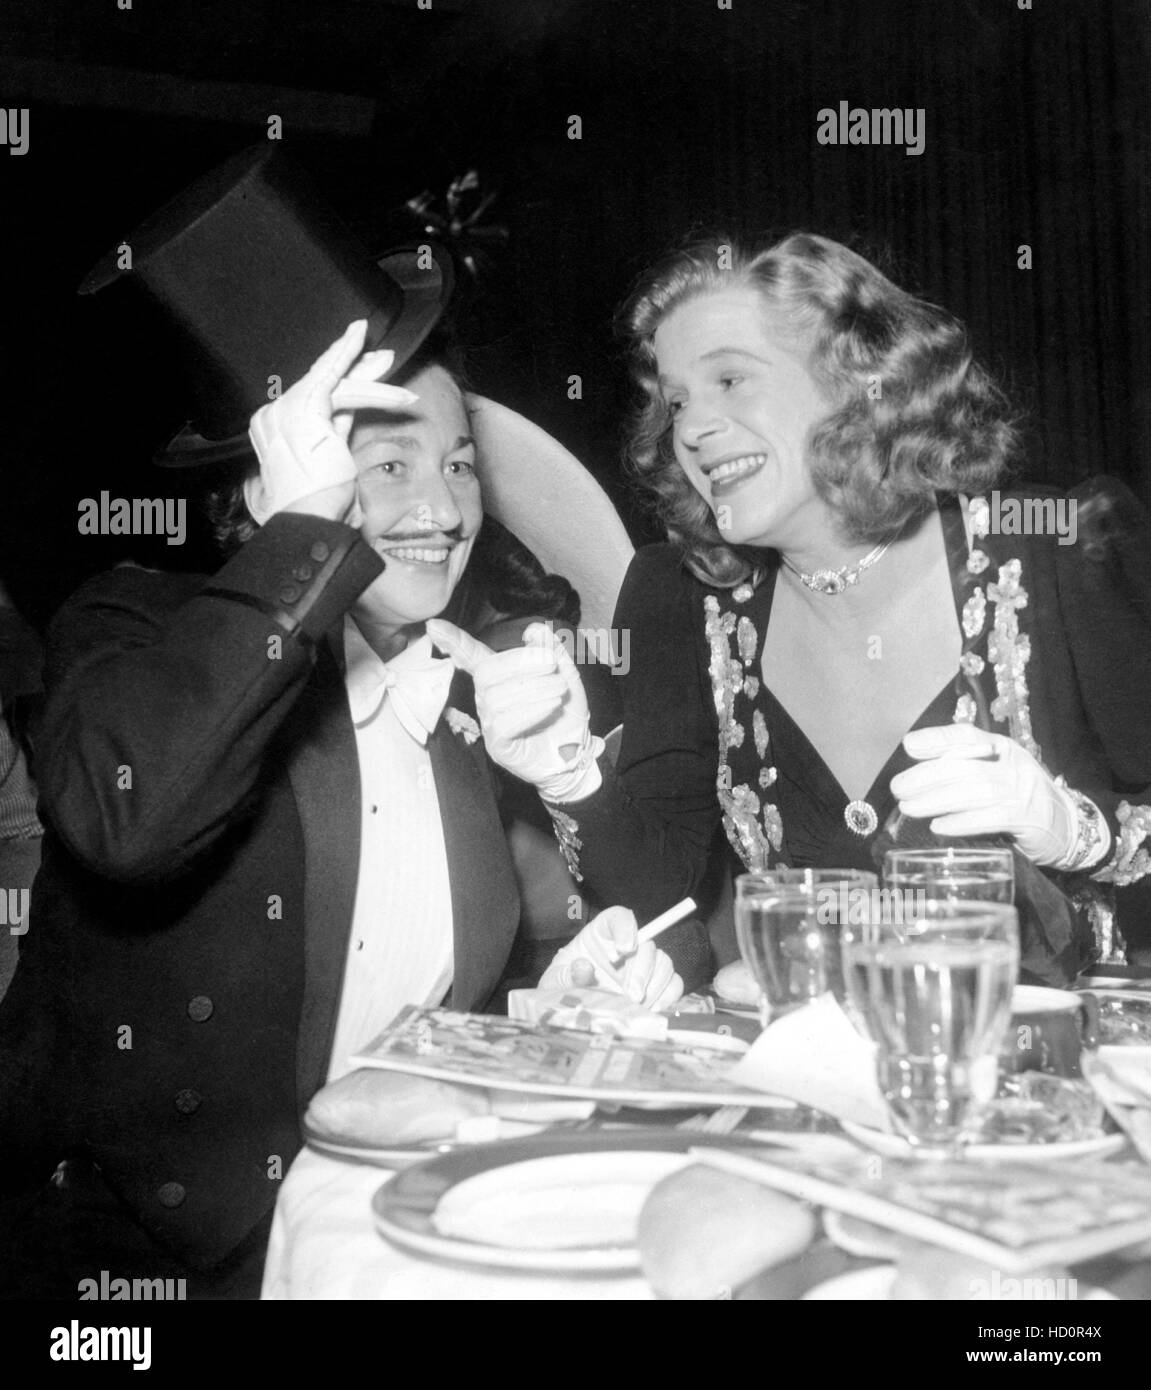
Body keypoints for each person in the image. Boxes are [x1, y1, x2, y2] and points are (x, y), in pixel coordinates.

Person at [0, 149, 688, 1300]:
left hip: (387, 1239)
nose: (442, 508)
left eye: (459, 462)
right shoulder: (132, 623)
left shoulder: (468, 690)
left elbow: (654, 946)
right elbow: (131, 816)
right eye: (383, 464)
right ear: (268, 487)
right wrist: (306, 537)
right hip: (129, 1273)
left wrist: (570, 791)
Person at [432, 232, 1151, 979]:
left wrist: (1080, 835)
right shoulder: (682, 600)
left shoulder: (1062, 547)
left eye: (731, 381)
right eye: (676, 400)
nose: (690, 427)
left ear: (862, 382)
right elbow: (655, 893)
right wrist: (570, 774)